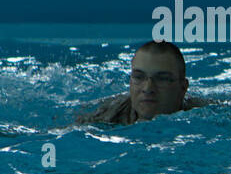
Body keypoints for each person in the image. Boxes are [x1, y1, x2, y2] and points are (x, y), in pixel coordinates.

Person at [76, 40, 205, 125]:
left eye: (162, 79)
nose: (148, 88)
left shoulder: (204, 115)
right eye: (138, 77)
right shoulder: (105, 117)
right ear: (130, 82)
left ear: (183, 88)